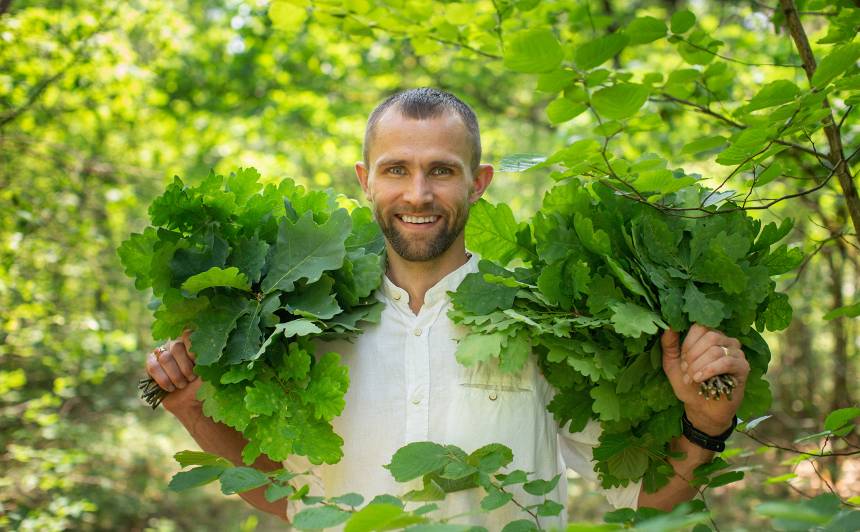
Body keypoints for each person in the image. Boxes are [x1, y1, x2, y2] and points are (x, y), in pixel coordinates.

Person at [145, 88, 751, 528]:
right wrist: (193, 409)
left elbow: (646, 497)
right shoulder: (302, 322)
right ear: (364, 179)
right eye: (395, 170)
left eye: (442, 170)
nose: (418, 193)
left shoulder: (547, 321)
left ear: (479, 181)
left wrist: (706, 421)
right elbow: (288, 496)